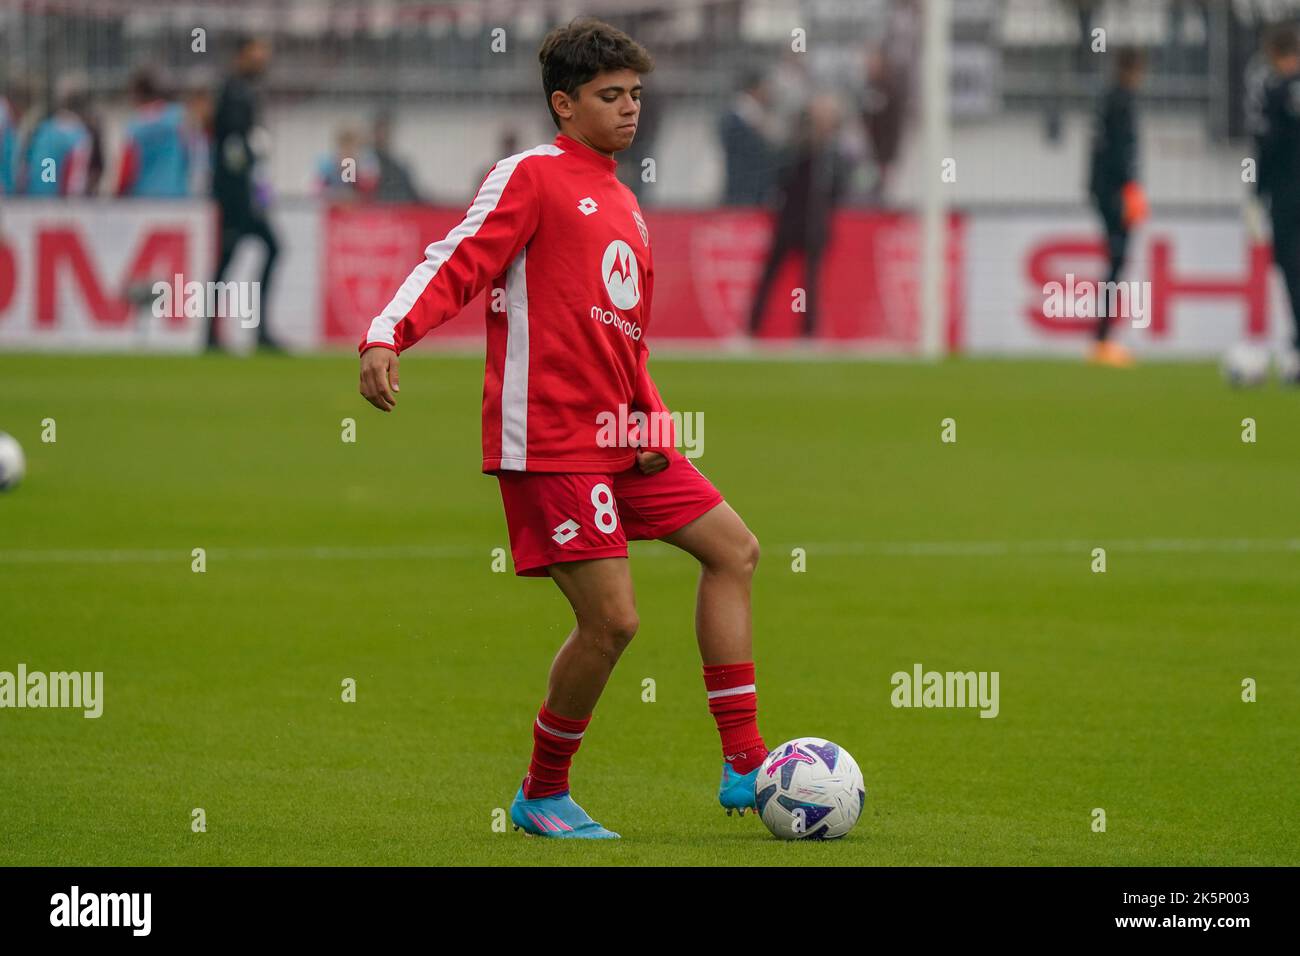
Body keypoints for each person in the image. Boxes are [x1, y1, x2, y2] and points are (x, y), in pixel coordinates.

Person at [356, 17, 767, 839]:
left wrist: (652, 422)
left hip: (623, 436)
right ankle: (542, 793)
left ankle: (746, 765)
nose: (628, 110)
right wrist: (384, 333)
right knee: (612, 621)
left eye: (636, 95)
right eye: (609, 96)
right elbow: (456, 260)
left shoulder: (624, 201)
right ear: (563, 103)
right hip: (548, 438)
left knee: (735, 550)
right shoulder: (531, 176)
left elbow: (626, 338)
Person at [747, 94, 850, 339]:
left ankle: (808, 331)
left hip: (815, 225)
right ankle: (752, 327)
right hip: (789, 222)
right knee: (769, 276)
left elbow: (839, 189)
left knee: (810, 281)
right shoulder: (796, 145)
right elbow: (780, 175)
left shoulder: (835, 153)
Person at [210, 35, 283, 351]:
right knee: (229, 259)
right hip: (234, 196)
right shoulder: (233, 91)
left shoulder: (244, 91)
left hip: (245, 194)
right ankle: (219, 335)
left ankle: (253, 331)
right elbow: (231, 148)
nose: (263, 58)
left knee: (261, 251)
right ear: (242, 54)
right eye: (258, 52)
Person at [1086, 47, 1148, 368]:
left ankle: (1103, 337)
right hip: (1116, 195)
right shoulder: (1122, 102)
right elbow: (1120, 154)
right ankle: (1102, 340)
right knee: (1116, 262)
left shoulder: (1108, 99)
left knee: (1116, 262)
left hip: (1105, 192)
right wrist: (1128, 192)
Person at [1257, 25, 1300, 383]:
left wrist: (1256, 195)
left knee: (1292, 271)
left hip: (1287, 197)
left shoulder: (1273, 90)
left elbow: (1266, 148)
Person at [115, 68, 190, 198]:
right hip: (177, 198)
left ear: (137, 94)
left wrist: (118, 195)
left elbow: (126, 169)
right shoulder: (179, 117)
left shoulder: (134, 126)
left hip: (143, 200)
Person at [23, 77, 93, 197]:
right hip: (57, 206)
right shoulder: (79, 136)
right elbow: (75, 183)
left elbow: (25, 169)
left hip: (31, 201)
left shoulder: (43, 129)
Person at [718, 70, 774, 206]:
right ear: (755, 89)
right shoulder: (737, 118)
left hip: (753, 189)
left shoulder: (756, 115)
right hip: (743, 190)